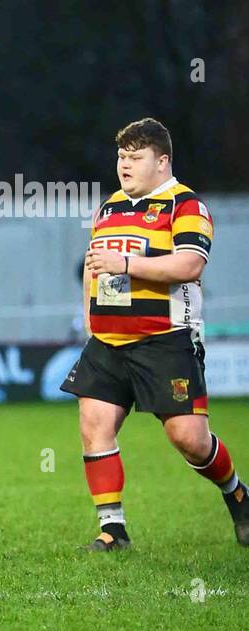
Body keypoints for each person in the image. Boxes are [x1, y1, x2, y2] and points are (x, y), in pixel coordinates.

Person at [62, 117, 247, 550]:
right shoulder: (109, 207)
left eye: (135, 158)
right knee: (94, 425)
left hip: (166, 341)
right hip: (108, 344)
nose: (124, 166)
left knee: (190, 440)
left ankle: (237, 493)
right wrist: (91, 312)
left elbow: (189, 265)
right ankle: (113, 530)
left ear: (162, 162)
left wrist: (126, 265)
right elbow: (96, 263)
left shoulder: (185, 206)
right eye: (121, 157)